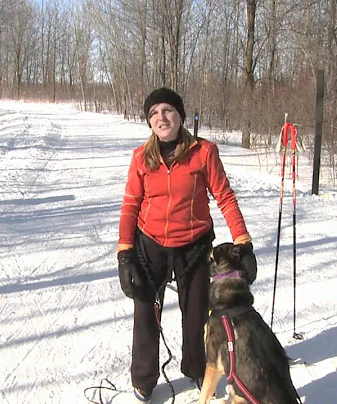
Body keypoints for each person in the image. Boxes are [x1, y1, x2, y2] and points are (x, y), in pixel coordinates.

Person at [117, 87, 258, 402]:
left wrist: (243, 242)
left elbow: (224, 197)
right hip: (149, 243)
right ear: (149, 123)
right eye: (154, 114)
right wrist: (125, 254)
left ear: (180, 115)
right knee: (145, 310)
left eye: (167, 110)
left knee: (195, 313)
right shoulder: (141, 157)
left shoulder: (203, 152)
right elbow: (130, 205)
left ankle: (196, 367)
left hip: (194, 245)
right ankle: (143, 378)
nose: (161, 118)